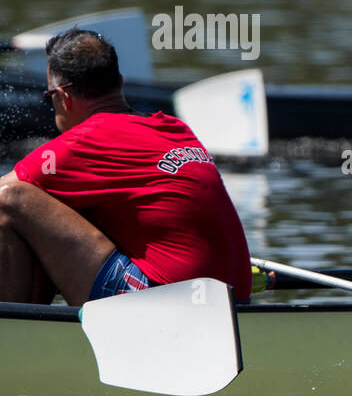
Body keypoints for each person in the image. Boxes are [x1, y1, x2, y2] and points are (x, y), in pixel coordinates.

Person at [0, 29, 252, 305]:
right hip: (231, 302)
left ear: (63, 97)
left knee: (12, 199)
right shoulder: (175, 128)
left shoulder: (87, 140)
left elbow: (7, 190)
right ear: (119, 83)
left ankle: (17, 333)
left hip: (171, 306)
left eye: (50, 97)